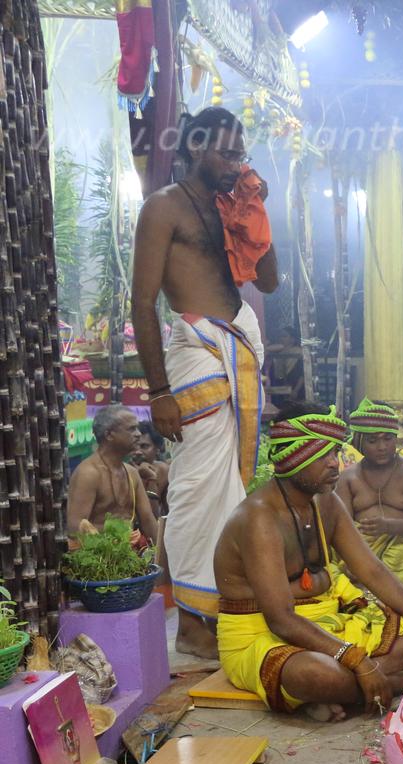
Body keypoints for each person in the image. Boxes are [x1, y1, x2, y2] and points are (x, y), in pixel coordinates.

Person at [131, 106, 278, 657]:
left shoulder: (232, 205)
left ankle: (223, 611)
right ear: (195, 147)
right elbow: (142, 302)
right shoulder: (163, 208)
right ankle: (192, 625)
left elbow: (270, 280)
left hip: (237, 347)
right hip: (195, 355)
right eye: (225, 151)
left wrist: (256, 213)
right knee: (195, 490)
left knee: (230, 492)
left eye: (240, 153)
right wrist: (157, 391)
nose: (233, 162)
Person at [213, 406, 403, 719]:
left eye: (334, 453)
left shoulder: (326, 501)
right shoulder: (259, 518)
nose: (335, 464)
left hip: (326, 619)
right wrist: (356, 661)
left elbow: (371, 570)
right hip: (260, 635)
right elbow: (281, 619)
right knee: (318, 675)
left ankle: (347, 689)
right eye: (323, 455)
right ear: (294, 457)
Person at [336, 398, 403, 596]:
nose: (381, 447)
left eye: (387, 439)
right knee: (338, 575)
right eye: (373, 441)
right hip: (361, 546)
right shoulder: (348, 478)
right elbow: (341, 525)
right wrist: (352, 556)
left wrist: (387, 526)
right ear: (359, 442)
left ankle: (375, 591)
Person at [67, 406, 160, 549]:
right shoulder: (89, 473)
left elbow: (148, 520)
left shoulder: (132, 473)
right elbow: (74, 525)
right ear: (109, 435)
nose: (138, 434)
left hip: (129, 558)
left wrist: (162, 557)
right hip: (96, 561)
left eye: (137, 428)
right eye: (131, 429)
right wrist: (110, 550)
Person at [132, 420, 170, 518]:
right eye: (135, 446)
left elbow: (162, 515)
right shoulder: (123, 471)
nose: (138, 452)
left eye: (144, 446)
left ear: (157, 449)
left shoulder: (164, 471)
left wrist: (151, 480)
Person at [262, 326, 307, 409]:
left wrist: (296, 390)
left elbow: (302, 374)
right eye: (280, 336)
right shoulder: (279, 353)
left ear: (292, 339)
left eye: (285, 336)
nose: (281, 339)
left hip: (296, 389)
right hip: (281, 388)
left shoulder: (298, 352)